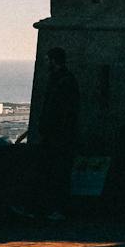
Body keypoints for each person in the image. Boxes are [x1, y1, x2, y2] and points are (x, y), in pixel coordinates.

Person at [32, 46, 80, 221]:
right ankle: (55, 208)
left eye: (47, 60)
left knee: (56, 173)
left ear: (53, 61)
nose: (45, 63)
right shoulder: (64, 80)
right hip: (59, 136)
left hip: (57, 136)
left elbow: (59, 110)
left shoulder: (61, 81)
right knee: (57, 173)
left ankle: (55, 208)